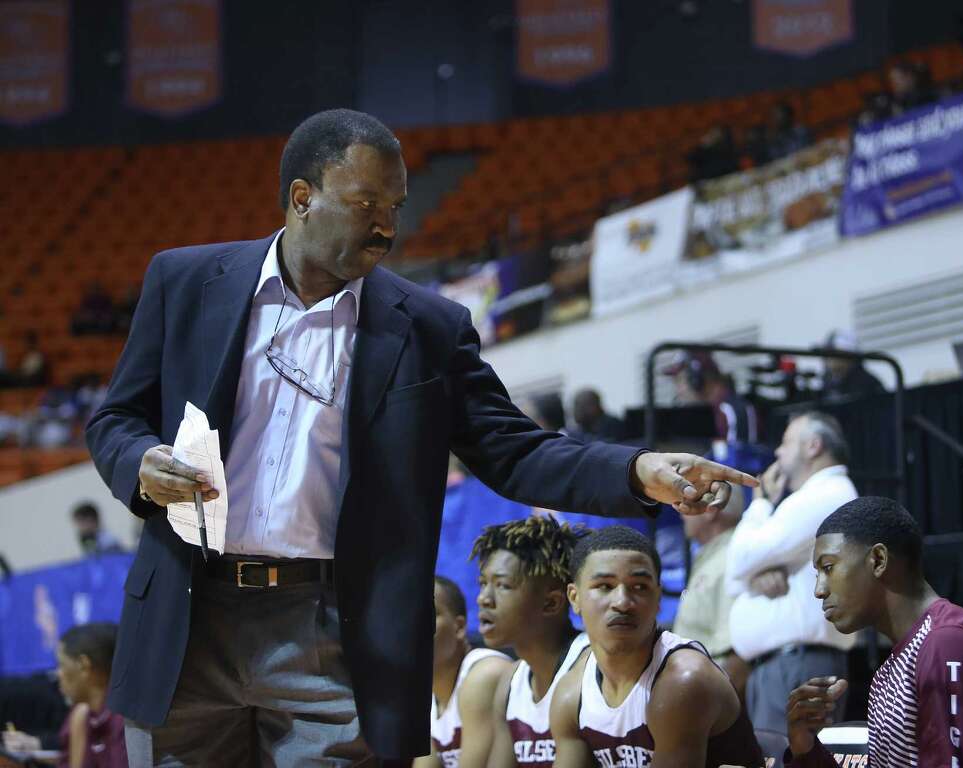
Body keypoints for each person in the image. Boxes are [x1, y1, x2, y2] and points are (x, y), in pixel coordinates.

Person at [84, 108, 757, 765]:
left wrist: (638, 470)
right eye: (366, 203)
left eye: (398, 206)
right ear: (302, 199)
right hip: (190, 613)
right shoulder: (187, 283)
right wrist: (138, 461)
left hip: (334, 627)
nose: (387, 226)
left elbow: (514, 449)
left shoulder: (429, 327)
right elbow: (116, 419)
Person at [785, 497, 963, 767]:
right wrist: (806, 750)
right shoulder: (898, 665)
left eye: (828, 568)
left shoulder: (949, 643)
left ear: (878, 560)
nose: (819, 590)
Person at [549, 526, 765, 768]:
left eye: (639, 587)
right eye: (605, 586)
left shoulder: (683, 680)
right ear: (574, 597)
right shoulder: (572, 692)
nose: (622, 602)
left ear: (658, 598)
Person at [726, 411, 858, 733]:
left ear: (813, 446)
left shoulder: (824, 494)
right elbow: (738, 575)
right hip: (788, 664)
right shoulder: (816, 496)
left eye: (785, 443)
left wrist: (760, 503)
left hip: (797, 664)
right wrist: (754, 578)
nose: (777, 453)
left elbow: (738, 560)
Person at [471, 516, 590, 768]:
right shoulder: (511, 683)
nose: (484, 599)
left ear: (551, 603)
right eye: (483, 584)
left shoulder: (591, 669)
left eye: (502, 585)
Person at [2, 623, 127, 768]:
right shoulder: (81, 715)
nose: (57, 674)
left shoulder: (124, 724)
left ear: (84, 666)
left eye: (61, 665)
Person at [418, 577, 512, 768]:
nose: (412, 627)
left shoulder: (484, 674)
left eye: (425, 616)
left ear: (459, 627)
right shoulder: (429, 699)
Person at [673, 484, 746, 699]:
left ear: (711, 510)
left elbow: (737, 655)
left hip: (709, 700)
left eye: (686, 503)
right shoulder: (714, 556)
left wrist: (713, 716)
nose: (680, 513)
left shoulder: (733, 558)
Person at [819, 330, 884, 402]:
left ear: (849, 357)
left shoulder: (866, 383)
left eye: (831, 353)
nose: (826, 358)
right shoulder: (828, 381)